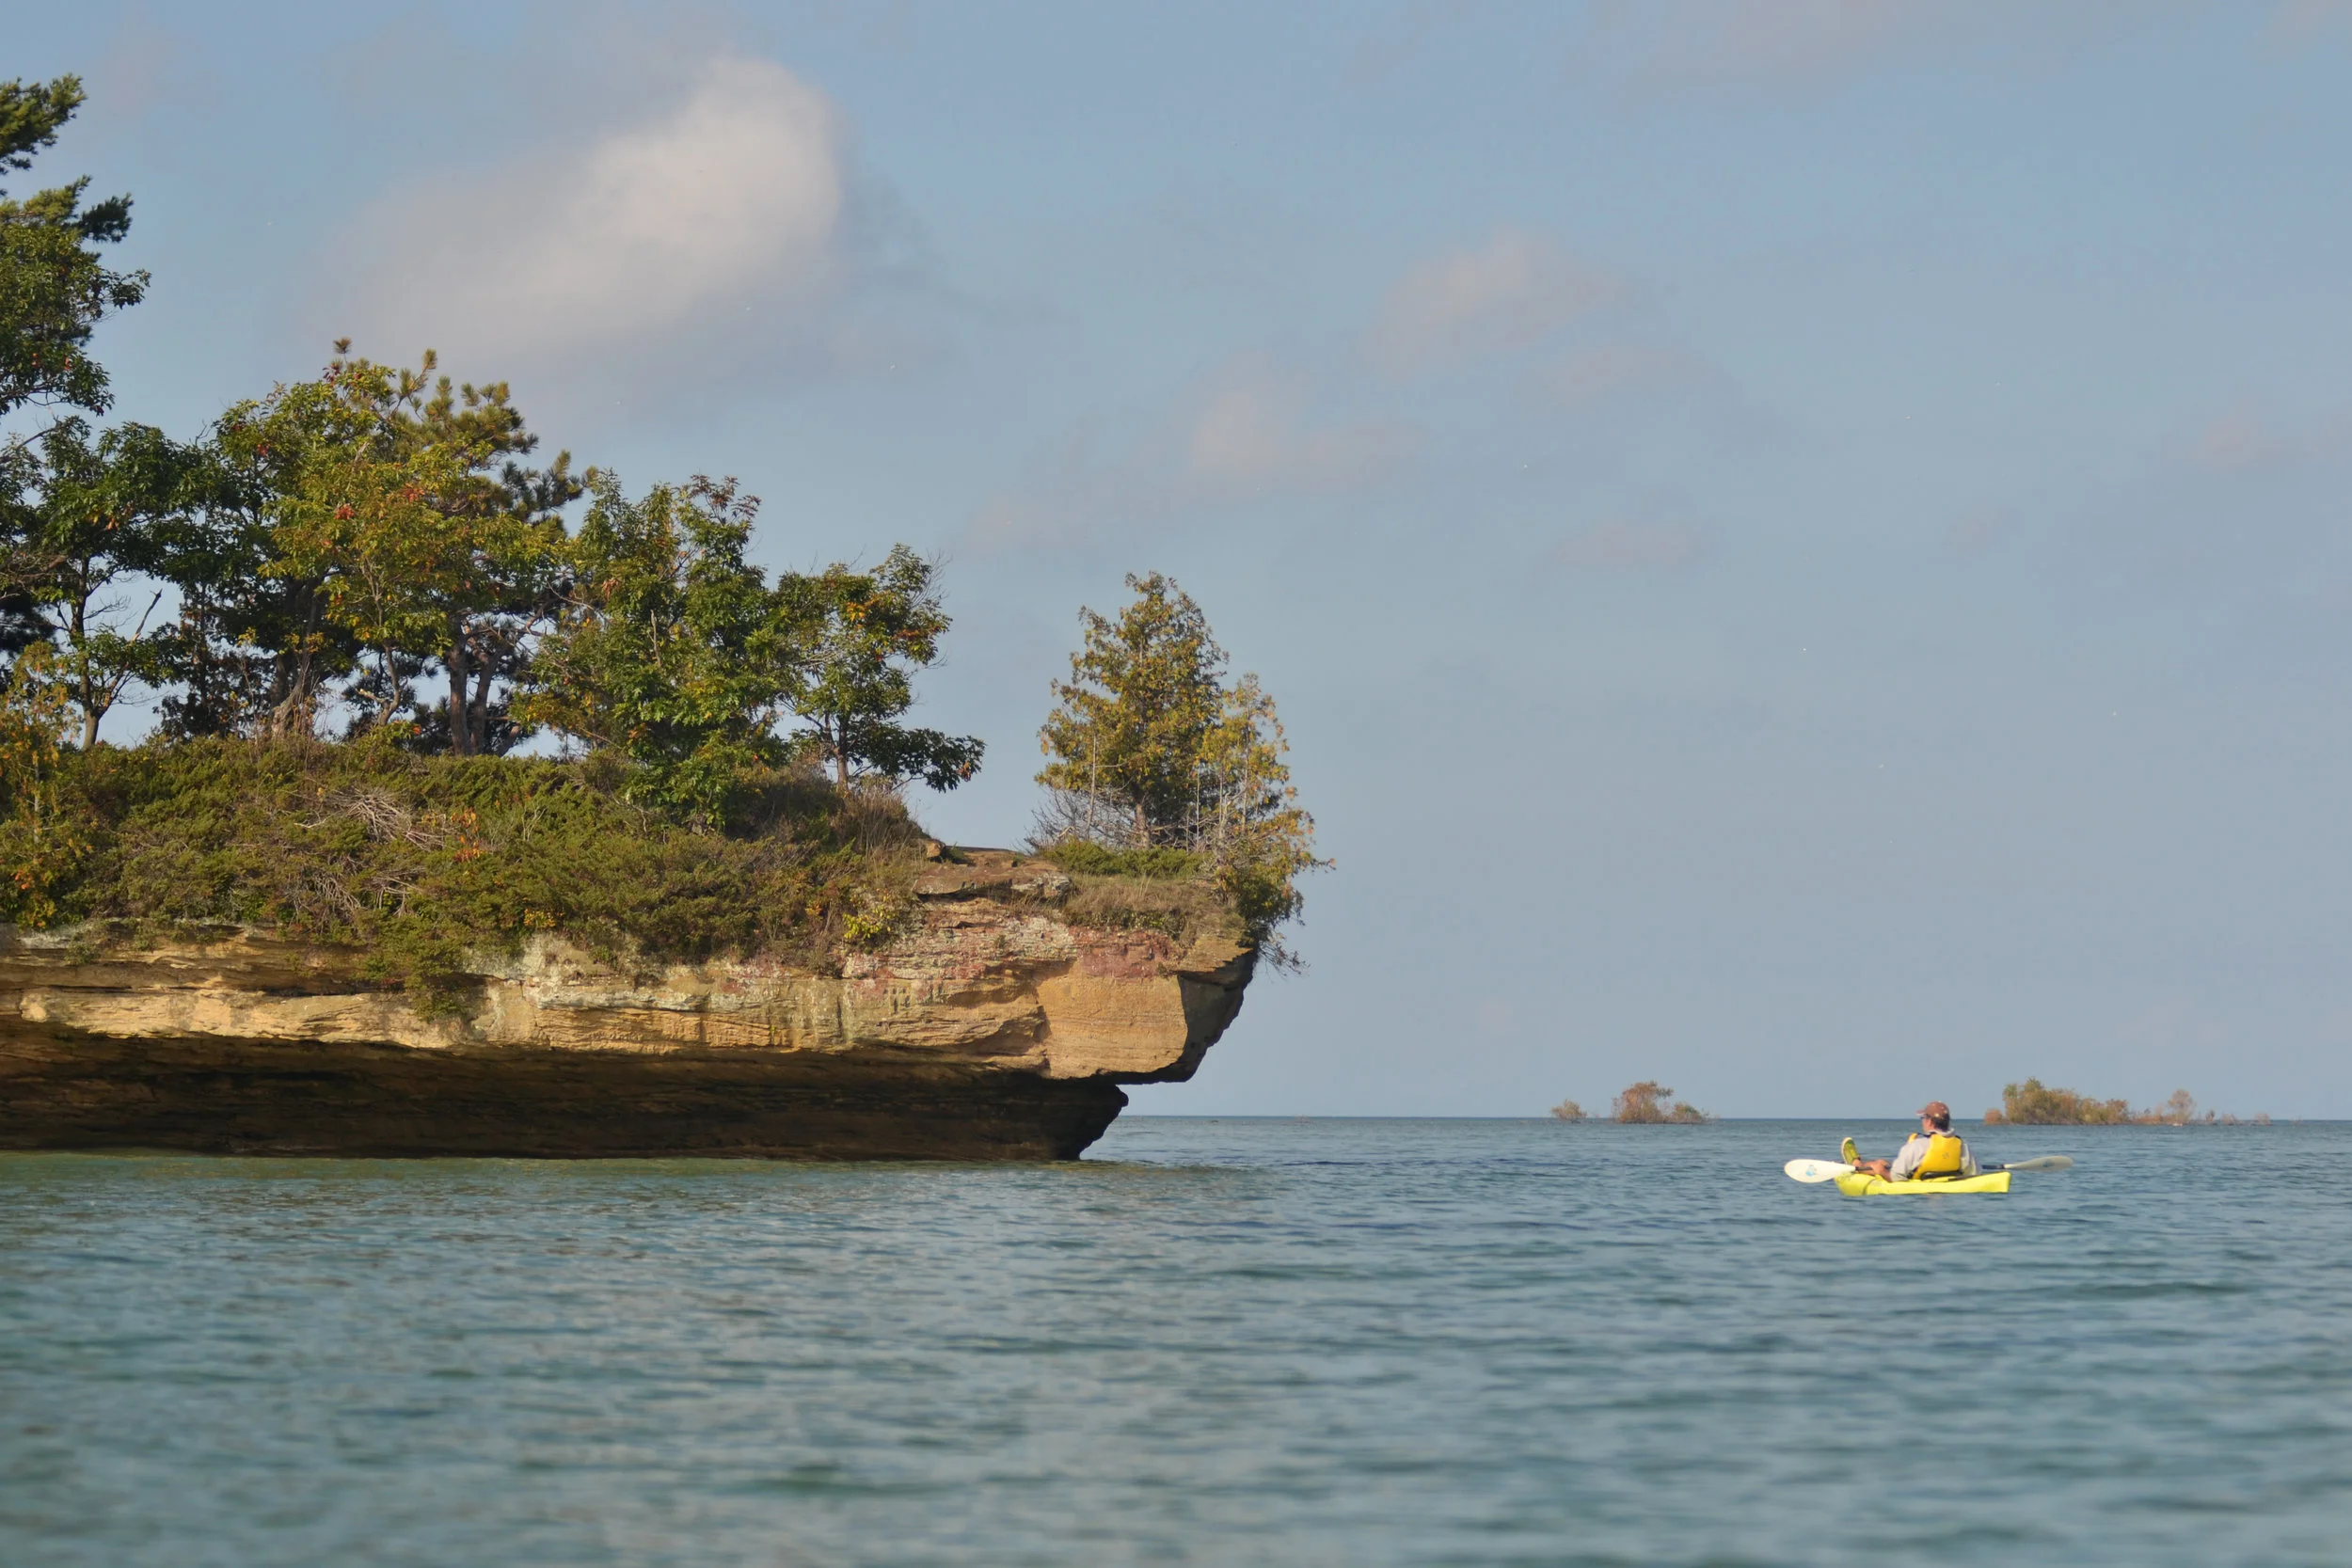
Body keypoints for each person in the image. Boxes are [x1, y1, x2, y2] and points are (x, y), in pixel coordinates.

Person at [1848, 1102, 1978, 1180]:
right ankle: (1863, 1164)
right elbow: (1974, 1172)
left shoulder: (1917, 1145)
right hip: (1948, 1181)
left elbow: (1897, 1177)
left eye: (1923, 1118)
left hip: (1917, 1183)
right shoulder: (1962, 1145)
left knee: (1877, 1165)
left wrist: (1882, 1172)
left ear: (1929, 1121)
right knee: (1884, 1162)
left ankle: (1856, 1165)